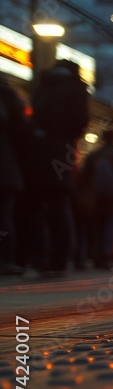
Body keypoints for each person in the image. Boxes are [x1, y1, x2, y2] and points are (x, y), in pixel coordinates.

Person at [28, 59, 90, 276]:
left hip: (36, 152)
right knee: (60, 205)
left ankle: (38, 257)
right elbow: (80, 121)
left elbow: (34, 116)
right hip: (61, 151)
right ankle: (59, 260)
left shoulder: (42, 84)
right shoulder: (76, 87)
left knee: (36, 208)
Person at [77, 129, 113, 268]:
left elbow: (84, 179)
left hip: (95, 199)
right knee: (110, 226)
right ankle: (105, 254)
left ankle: (93, 255)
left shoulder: (93, 156)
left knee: (96, 227)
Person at [0, 78, 29, 275]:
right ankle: (7, 259)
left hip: (8, 169)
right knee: (4, 216)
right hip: (9, 169)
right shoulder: (12, 100)